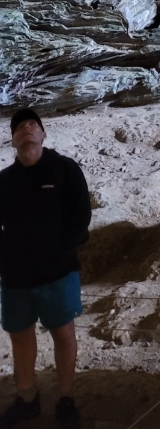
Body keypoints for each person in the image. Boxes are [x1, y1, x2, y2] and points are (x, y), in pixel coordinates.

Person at [0, 109, 91, 427]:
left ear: (42, 134)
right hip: (16, 276)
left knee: (63, 334)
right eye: (20, 127)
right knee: (20, 337)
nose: (26, 128)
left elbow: (81, 214)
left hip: (58, 273)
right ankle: (27, 398)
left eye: (32, 124)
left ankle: (65, 398)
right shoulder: (5, 181)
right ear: (13, 140)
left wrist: (60, 251)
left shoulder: (64, 170)